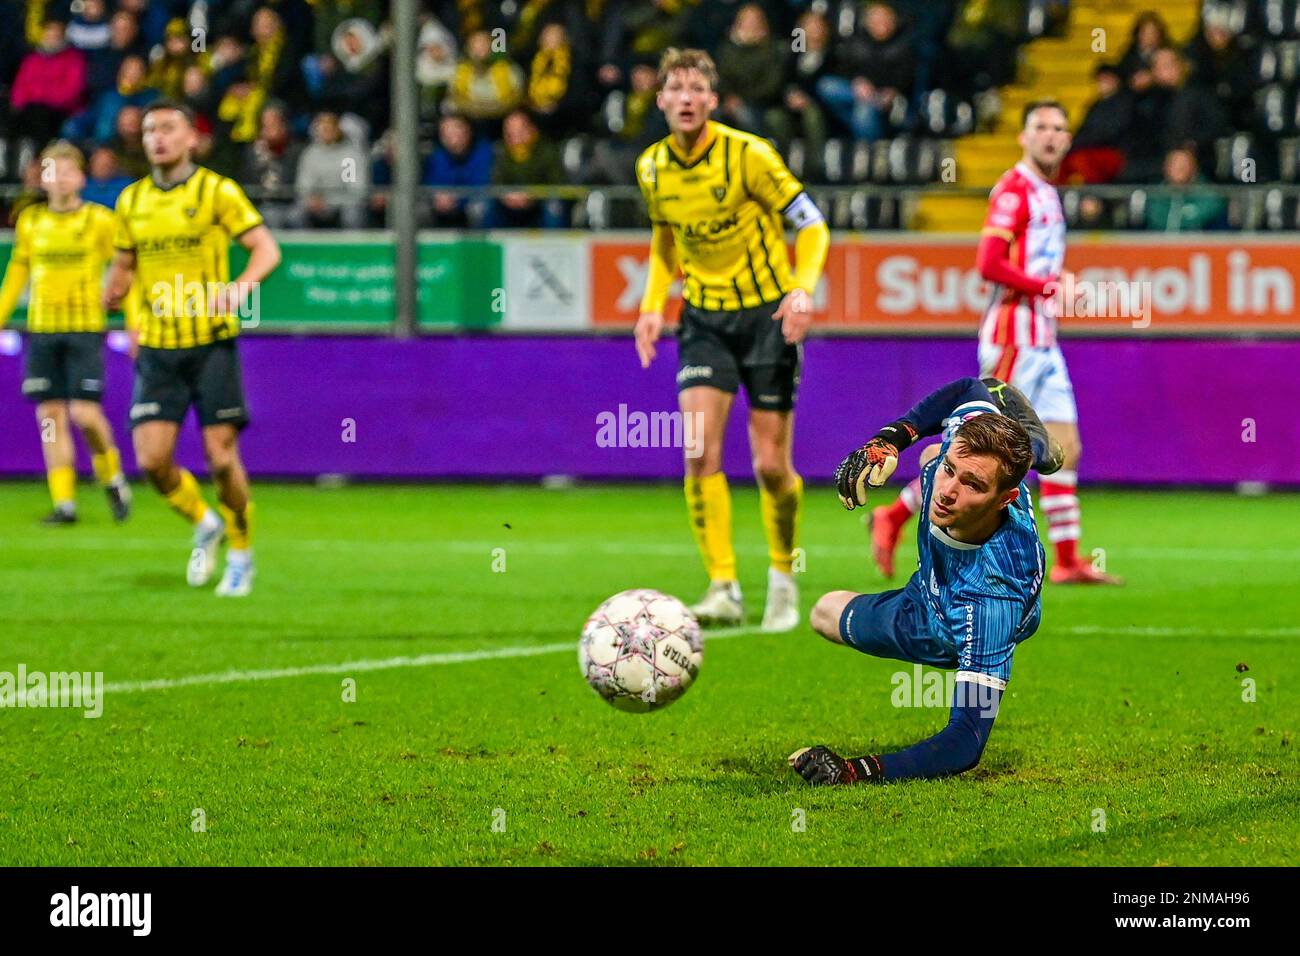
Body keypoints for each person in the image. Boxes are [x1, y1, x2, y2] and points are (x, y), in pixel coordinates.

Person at [870, 101, 1123, 586]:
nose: (1050, 135)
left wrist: (1054, 282)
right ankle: (896, 516)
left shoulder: (1049, 191)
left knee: (1065, 445)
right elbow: (988, 262)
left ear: (1067, 139)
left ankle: (1067, 559)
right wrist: (1047, 287)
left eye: (1058, 127)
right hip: (1014, 336)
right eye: (1040, 127)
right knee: (978, 449)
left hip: (1043, 338)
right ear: (1023, 138)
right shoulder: (1014, 188)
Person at [634, 48, 830, 631]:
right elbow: (665, 240)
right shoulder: (651, 169)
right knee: (699, 452)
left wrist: (802, 291)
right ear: (662, 100)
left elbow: (812, 225)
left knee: (771, 465)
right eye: (676, 88)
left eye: (698, 88)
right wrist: (651, 306)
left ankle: (783, 577)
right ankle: (723, 585)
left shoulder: (750, 156)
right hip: (705, 321)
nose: (687, 98)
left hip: (767, 318)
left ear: (713, 101)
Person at [791, 378, 1057, 785]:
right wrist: (889, 441)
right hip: (925, 588)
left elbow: (964, 743)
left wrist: (855, 770)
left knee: (932, 458)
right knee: (823, 612)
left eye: (973, 485)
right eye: (952, 471)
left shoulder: (990, 604)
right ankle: (1035, 447)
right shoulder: (963, 458)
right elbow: (968, 389)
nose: (948, 491)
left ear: (1005, 498)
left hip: (944, 623)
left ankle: (1035, 445)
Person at [102, 100, 281, 597]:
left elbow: (267, 249)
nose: (157, 137)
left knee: (222, 460)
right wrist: (114, 292)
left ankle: (242, 554)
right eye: (149, 130)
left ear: (191, 139)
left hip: (211, 344)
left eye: (168, 128)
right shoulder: (131, 201)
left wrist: (242, 286)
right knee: (153, 461)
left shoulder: (217, 191)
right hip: (158, 348)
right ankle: (206, 521)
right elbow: (124, 265)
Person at [0, 141, 131, 525]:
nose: (56, 179)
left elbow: (125, 270)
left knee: (86, 415)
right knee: (50, 417)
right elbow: (16, 276)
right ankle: (64, 503)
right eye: (49, 172)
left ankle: (111, 475)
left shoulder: (99, 222)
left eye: (64, 171)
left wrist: (133, 317)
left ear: (80, 178)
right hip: (42, 331)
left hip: (84, 329)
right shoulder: (31, 222)